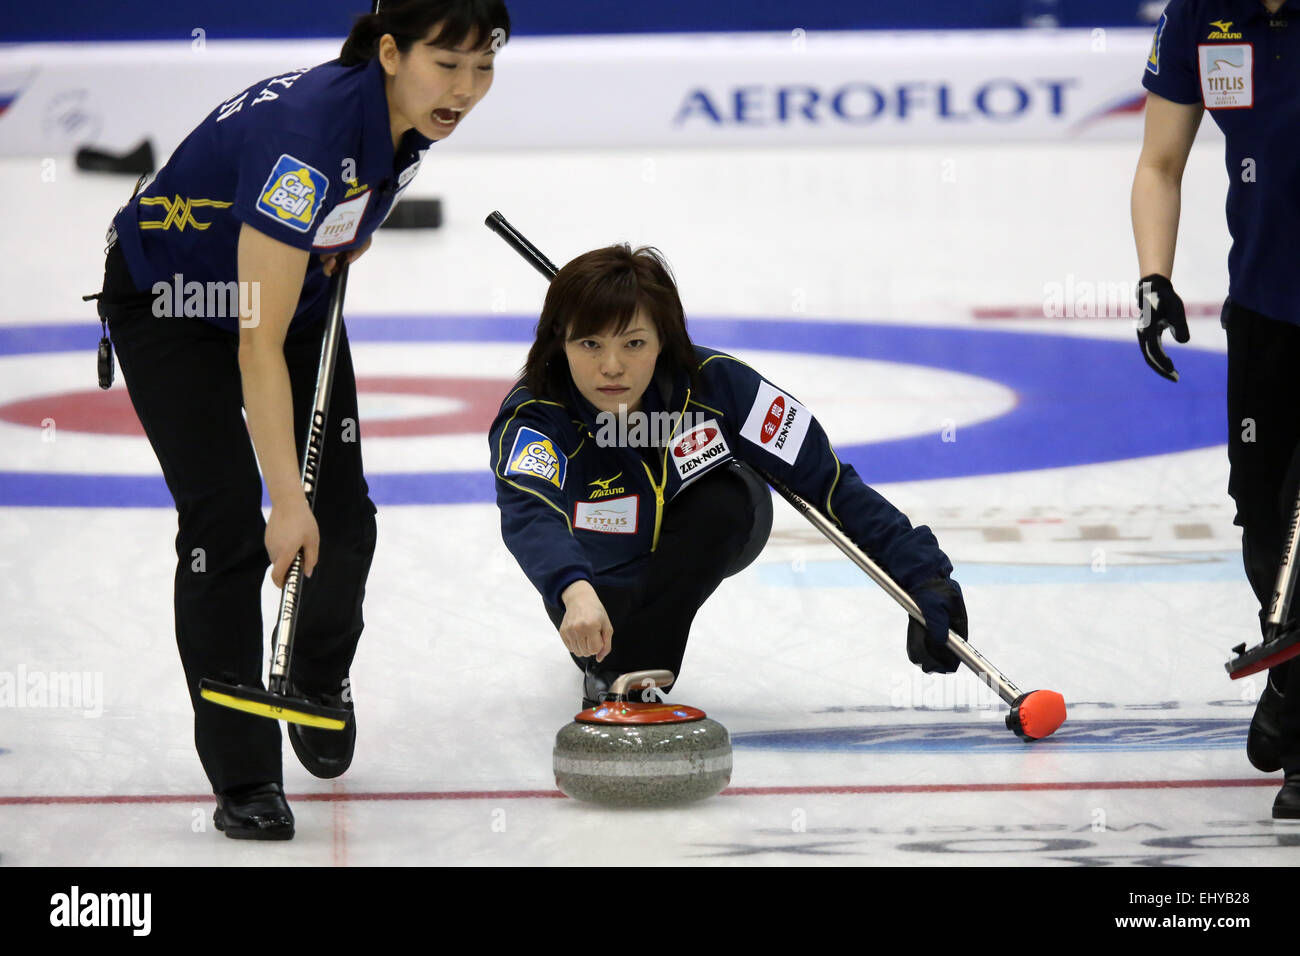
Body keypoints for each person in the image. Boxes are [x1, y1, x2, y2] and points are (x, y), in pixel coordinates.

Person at [90, 0, 511, 840]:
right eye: (446, 64)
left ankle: (316, 682)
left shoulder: (405, 115)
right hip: (173, 304)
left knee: (345, 522)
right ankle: (245, 778)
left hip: (287, 290)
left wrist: (340, 235)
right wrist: (284, 498)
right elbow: (258, 349)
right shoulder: (308, 144)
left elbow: (340, 220)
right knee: (228, 528)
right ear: (390, 52)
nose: (464, 90)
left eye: (483, 67)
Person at [487, 245, 968, 708]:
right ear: (559, 343)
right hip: (594, 570)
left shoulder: (721, 386)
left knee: (723, 500)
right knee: (599, 627)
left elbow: (827, 481)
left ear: (664, 341)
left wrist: (924, 575)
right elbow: (531, 513)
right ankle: (615, 648)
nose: (611, 367)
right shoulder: (534, 416)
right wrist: (574, 591)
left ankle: (636, 674)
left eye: (634, 343)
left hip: (706, 524)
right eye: (589, 343)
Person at [1131, 0, 1299, 819]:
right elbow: (1161, 163)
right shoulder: (1201, 16)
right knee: (1266, 524)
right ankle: (1290, 681)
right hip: (1264, 316)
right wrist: (1154, 280)